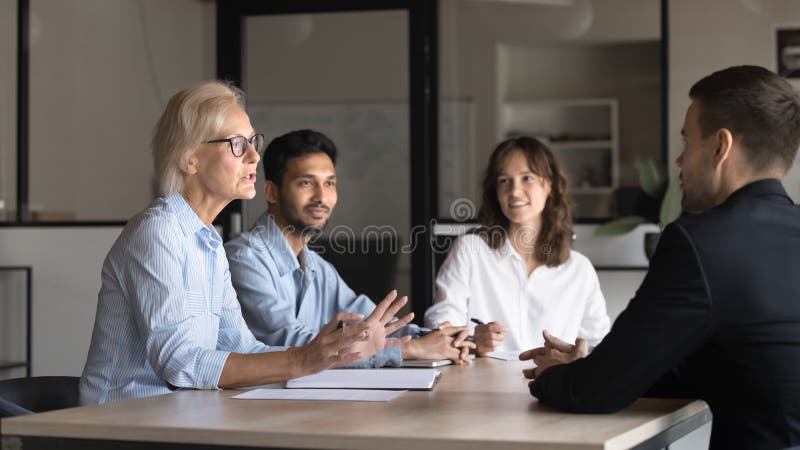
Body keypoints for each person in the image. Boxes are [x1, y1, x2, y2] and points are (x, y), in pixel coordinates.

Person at [79, 82, 412, 405]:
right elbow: (181, 364)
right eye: (237, 143)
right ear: (189, 159)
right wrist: (304, 358)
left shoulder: (208, 242)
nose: (254, 156)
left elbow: (244, 348)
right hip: (123, 423)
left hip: (184, 418)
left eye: (254, 142)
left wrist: (330, 354)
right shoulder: (157, 232)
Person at [522, 65, 800, 450]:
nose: (680, 161)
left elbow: (594, 394)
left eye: (688, 142)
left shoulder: (699, 243)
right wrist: (594, 366)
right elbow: (709, 368)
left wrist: (553, 376)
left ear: (721, 147)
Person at [225, 129, 474, 367]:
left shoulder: (319, 269)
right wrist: (408, 349)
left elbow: (371, 322)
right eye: (306, 183)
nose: (322, 197)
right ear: (271, 192)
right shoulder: (243, 259)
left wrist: (451, 340)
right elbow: (292, 343)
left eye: (330, 184)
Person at [424, 136, 610, 355]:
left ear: (550, 185)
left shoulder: (579, 270)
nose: (514, 191)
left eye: (527, 178)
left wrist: (576, 357)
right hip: (481, 384)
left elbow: (600, 346)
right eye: (504, 180)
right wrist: (474, 341)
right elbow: (440, 325)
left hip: (551, 385)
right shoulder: (470, 250)